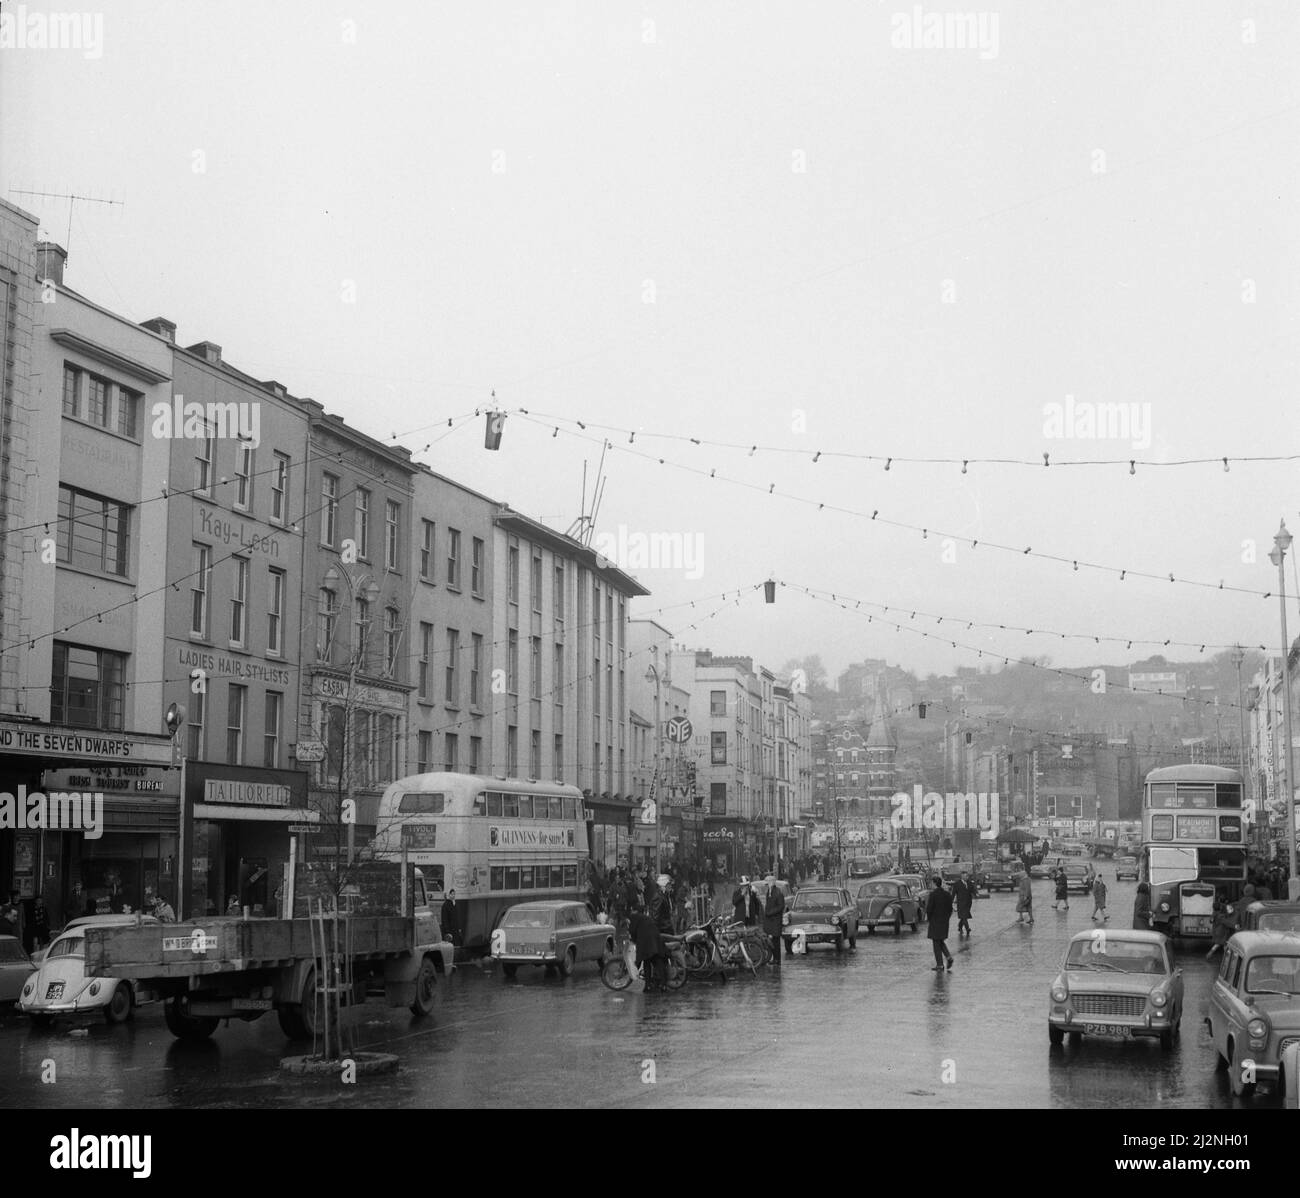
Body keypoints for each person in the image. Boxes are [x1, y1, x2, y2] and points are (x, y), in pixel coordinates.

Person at [628, 909, 668, 992]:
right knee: (654, 960)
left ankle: (650, 985)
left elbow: (632, 932)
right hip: (654, 938)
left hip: (647, 940)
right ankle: (659, 984)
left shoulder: (632, 919)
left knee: (649, 961)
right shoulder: (642, 917)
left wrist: (633, 939)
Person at [925, 876, 954, 971]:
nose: (930, 884)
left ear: (934, 883)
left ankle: (940, 965)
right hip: (944, 921)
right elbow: (950, 909)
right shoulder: (947, 894)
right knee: (940, 941)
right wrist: (946, 918)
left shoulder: (933, 895)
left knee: (936, 942)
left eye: (931, 883)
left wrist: (929, 919)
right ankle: (948, 957)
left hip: (935, 921)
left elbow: (929, 909)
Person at [1205, 893, 1238, 960]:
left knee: (1221, 944)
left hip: (1217, 931)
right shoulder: (1221, 916)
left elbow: (1211, 921)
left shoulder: (1214, 914)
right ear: (1220, 907)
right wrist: (1234, 926)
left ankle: (1213, 955)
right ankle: (1227, 958)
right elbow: (1226, 922)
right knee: (1223, 944)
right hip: (1222, 932)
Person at [762, 875, 785, 967]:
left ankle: (777, 959)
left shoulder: (778, 892)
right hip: (770, 920)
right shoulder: (769, 892)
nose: (766, 886)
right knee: (771, 940)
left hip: (775, 920)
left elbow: (780, 906)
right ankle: (774, 958)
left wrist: (770, 912)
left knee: (776, 941)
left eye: (767, 884)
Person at [952, 871, 974, 937]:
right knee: (964, 917)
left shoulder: (969, 883)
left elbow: (973, 889)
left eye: (967, 876)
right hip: (961, 903)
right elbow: (953, 893)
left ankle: (959, 926)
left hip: (968, 903)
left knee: (963, 917)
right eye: (965, 876)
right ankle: (967, 928)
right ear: (962, 876)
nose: (966, 877)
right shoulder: (957, 884)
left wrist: (976, 893)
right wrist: (951, 901)